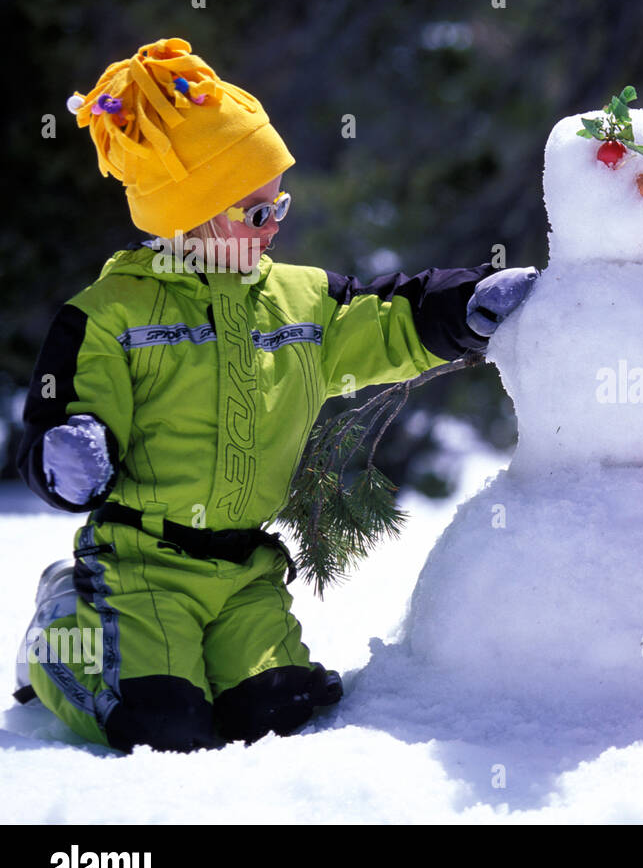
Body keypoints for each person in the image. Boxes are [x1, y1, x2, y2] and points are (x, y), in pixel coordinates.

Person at [12, 37, 536, 753]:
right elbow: (65, 412)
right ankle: (59, 634)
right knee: (160, 728)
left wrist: (466, 305)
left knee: (283, 712)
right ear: (189, 215)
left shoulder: (300, 301)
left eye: (278, 203)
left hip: (244, 571)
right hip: (141, 570)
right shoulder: (110, 314)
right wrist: (70, 452)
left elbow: (388, 318)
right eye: (256, 213)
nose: (277, 224)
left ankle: (224, 669)